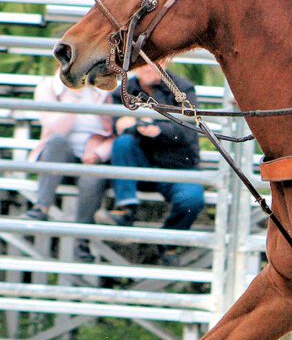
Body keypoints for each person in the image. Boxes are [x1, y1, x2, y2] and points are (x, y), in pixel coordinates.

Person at [95, 62, 205, 241]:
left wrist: (156, 128)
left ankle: (166, 243)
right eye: (142, 63)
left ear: (164, 63)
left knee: (192, 200)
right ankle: (126, 208)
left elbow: (187, 131)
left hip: (177, 167)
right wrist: (147, 126)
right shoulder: (124, 90)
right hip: (141, 165)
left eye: (153, 62)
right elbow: (119, 125)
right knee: (123, 143)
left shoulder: (183, 89)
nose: (146, 67)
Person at [22, 70, 112, 263]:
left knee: (93, 177)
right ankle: (41, 208)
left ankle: (81, 241)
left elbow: (114, 133)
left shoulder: (107, 87)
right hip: (58, 159)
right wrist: (74, 96)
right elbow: (57, 128)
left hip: (93, 157)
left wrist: (97, 154)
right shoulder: (49, 87)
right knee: (56, 143)